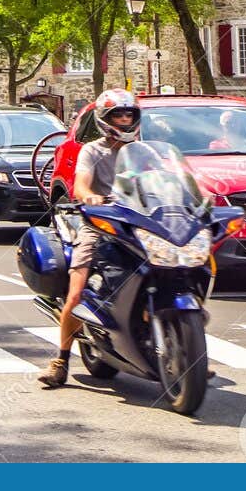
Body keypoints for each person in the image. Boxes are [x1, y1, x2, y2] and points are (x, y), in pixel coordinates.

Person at [39, 88, 141, 390]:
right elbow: (81, 185)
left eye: (128, 114)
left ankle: (187, 357)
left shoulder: (142, 151)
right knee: (77, 292)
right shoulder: (92, 151)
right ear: (104, 119)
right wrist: (89, 197)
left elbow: (164, 178)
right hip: (98, 224)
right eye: (117, 115)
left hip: (137, 223)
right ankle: (61, 361)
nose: (124, 119)